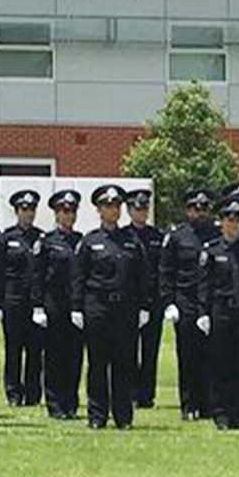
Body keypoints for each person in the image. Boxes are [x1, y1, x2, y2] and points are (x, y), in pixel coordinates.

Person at [73, 184, 149, 430]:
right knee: (97, 363)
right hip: (98, 308)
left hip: (125, 310)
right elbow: (78, 277)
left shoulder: (132, 241)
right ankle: (97, 415)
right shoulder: (90, 242)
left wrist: (144, 306)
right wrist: (77, 307)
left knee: (125, 364)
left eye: (116, 206)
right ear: (99, 210)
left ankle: (123, 416)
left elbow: (142, 277)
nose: (113, 210)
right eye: (108, 206)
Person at [199, 197, 239, 431]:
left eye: (237, 220)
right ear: (221, 222)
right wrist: (203, 313)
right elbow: (204, 285)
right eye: (229, 219)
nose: (233, 224)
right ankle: (221, 414)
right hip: (221, 312)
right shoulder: (212, 251)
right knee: (220, 364)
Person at [161, 188, 218, 421]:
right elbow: (166, 270)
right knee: (188, 355)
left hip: (211, 304)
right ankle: (189, 405)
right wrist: (169, 302)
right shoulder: (177, 236)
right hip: (185, 301)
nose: (200, 212)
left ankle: (208, 405)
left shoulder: (216, 235)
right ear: (187, 210)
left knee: (211, 355)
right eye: (195, 208)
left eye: (204, 208)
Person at [37, 189, 84, 420]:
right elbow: (36, 276)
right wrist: (38, 307)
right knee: (54, 355)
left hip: (75, 306)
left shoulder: (81, 241)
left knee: (74, 355)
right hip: (53, 304)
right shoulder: (47, 242)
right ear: (56, 214)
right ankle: (54, 404)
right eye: (65, 211)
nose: (69, 215)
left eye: (72, 211)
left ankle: (71, 402)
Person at [0, 189, 45, 407]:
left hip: (35, 303)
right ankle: (13, 392)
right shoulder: (6, 238)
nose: (28, 213)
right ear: (16, 211)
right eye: (24, 209)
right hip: (13, 300)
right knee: (13, 348)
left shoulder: (42, 238)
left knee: (35, 350)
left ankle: (33, 394)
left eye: (32, 209)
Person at [125, 190, 165, 409]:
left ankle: (147, 395)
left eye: (144, 209)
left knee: (151, 350)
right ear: (129, 210)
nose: (142, 213)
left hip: (154, 301)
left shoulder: (158, 236)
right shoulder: (123, 236)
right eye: (137, 209)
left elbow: (163, 269)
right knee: (129, 349)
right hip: (129, 301)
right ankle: (130, 392)